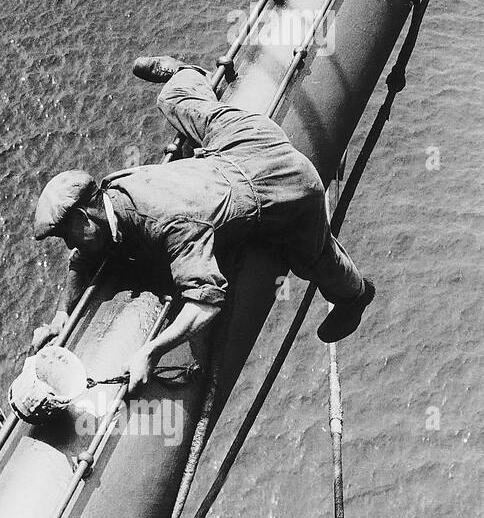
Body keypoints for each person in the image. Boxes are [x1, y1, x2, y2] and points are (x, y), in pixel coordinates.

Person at [30, 56, 376, 388]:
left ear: (81, 217)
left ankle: (356, 296)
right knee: (174, 99)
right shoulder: (112, 190)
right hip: (240, 138)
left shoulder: (169, 224)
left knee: (315, 257)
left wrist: (151, 352)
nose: (68, 245)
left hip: (283, 181)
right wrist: (63, 315)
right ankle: (182, 74)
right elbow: (84, 257)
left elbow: (205, 303)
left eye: (66, 234)